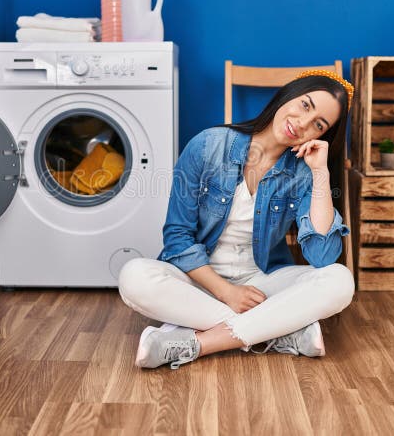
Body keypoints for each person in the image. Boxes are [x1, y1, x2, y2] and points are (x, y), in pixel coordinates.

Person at [118, 70, 356, 369]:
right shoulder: (208, 145)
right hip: (197, 281)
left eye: (318, 125)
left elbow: (321, 256)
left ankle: (199, 343)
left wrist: (321, 173)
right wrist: (226, 292)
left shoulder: (304, 171)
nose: (303, 123)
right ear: (288, 95)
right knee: (134, 276)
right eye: (305, 105)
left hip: (261, 283)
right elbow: (177, 238)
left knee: (339, 280)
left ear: (321, 136)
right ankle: (279, 332)